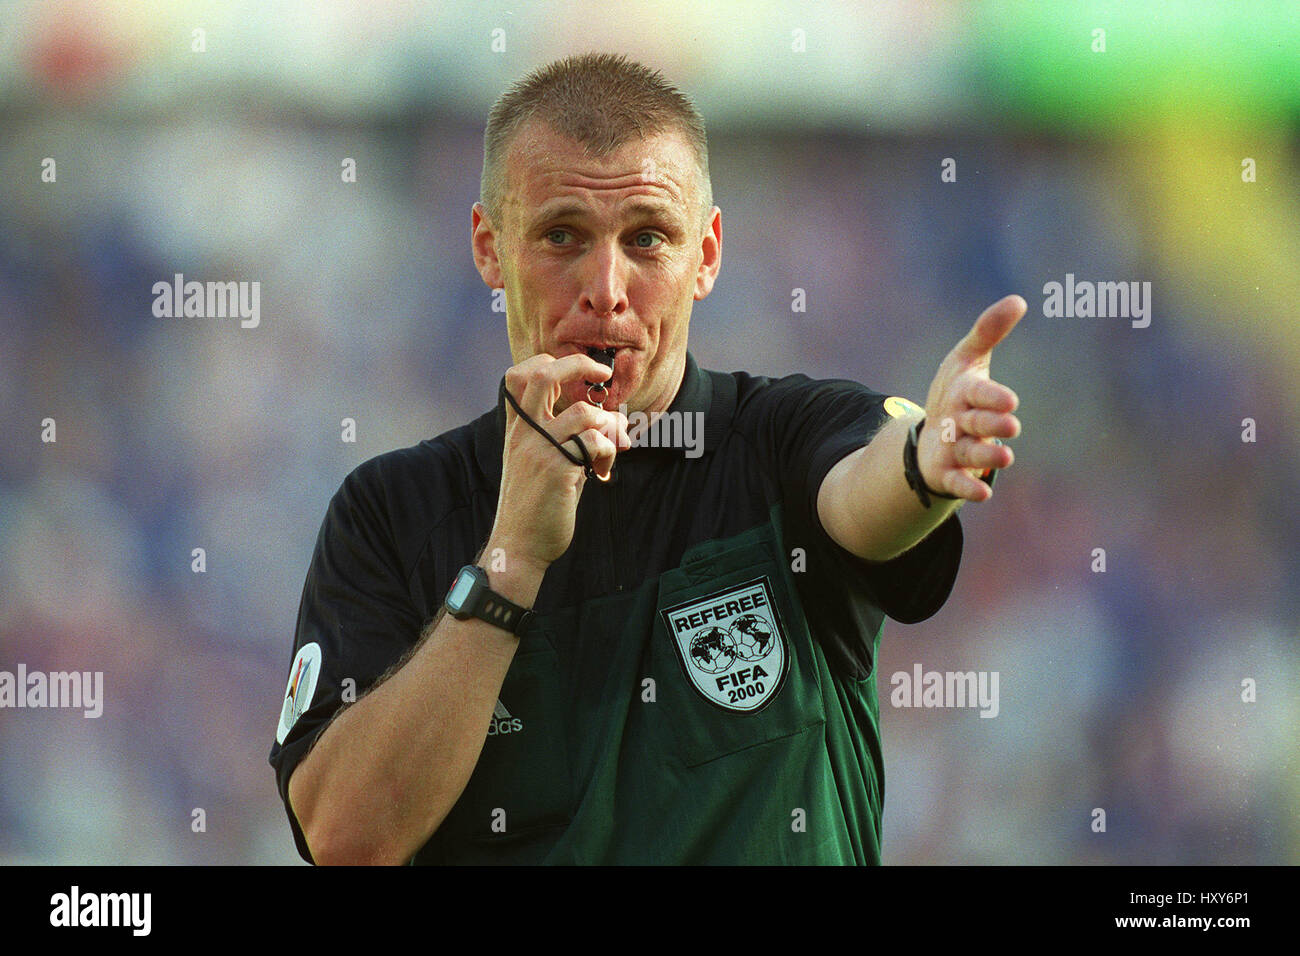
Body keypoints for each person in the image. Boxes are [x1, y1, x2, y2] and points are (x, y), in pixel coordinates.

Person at [268, 52, 1024, 865]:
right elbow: (345, 837)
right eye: (562, 235)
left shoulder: (782, 439)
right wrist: (511, 560)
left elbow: (865, 493)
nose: (606, 286)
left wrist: (920, 463)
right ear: (489, 247)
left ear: (705, 255)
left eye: (648, 239)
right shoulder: (393, 512)